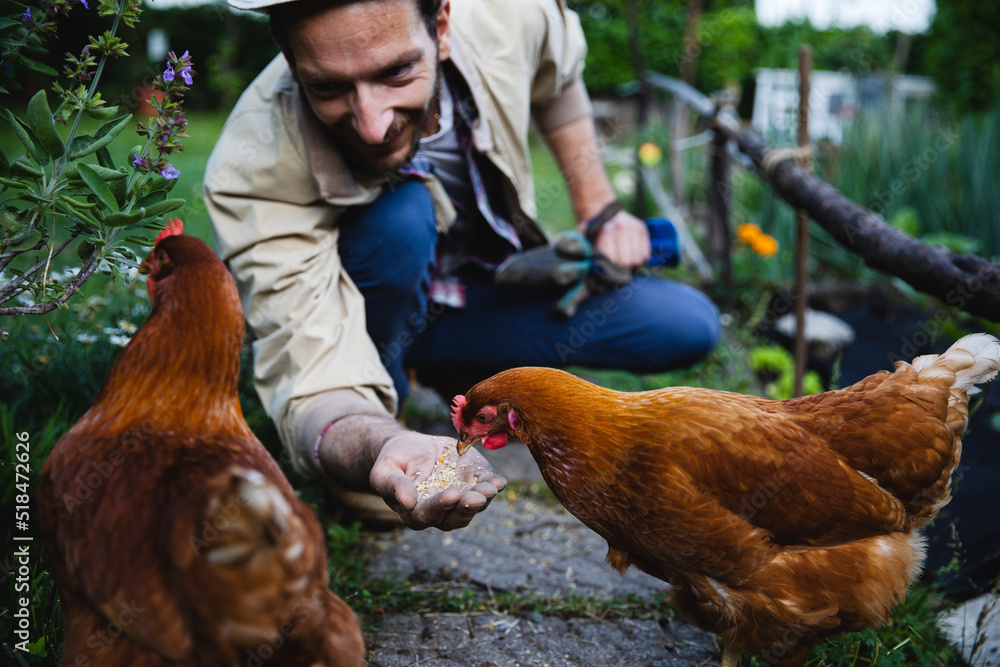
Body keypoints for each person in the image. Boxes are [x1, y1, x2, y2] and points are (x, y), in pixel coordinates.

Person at [205, 0, 720, 531]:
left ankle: (450, 367)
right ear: (289, 58)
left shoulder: (509, 12)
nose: (373, 124)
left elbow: (558, 74)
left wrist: (598, 207)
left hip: (473, 299)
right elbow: (312, 384)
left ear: (443, 25)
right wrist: (379, 445)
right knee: (401, 216)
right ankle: (385, 390)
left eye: (396, 71)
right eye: (329, 88)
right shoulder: (253, 169)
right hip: (364, 313)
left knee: (684, 325)